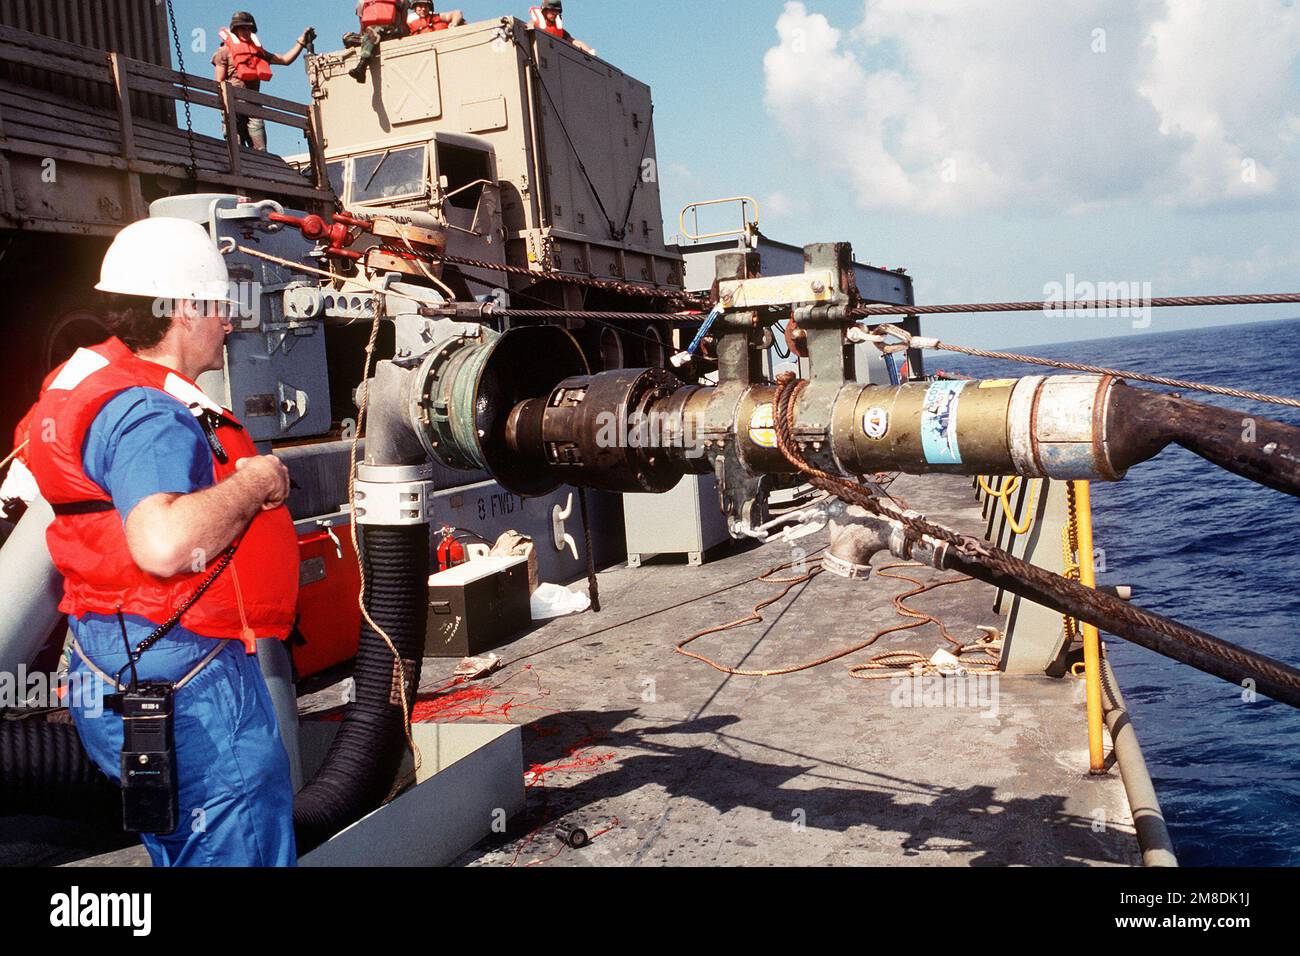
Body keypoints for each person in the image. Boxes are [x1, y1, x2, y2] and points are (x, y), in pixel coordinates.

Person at [24, 218, 301, 867]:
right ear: (184, 309)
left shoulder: (88, 392)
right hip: (190, 691)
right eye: (221, 306)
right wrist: (254, 480)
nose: (230, 322)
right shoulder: (152, 416)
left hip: (109, 675)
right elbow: (163, 544)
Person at [212, 11, 315, 150]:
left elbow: (285, 60)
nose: (247, 31)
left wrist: (301, 42)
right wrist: (225, 108)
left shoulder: (258, 52)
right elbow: (219, 82)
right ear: (235, 30)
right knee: (236, 147)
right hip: (233, 106)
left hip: (254, 106)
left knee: (261, 149)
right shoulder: (223, 51)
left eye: (249, 29)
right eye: (243, 28)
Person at [349, 0, 411, 83]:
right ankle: (366, 51)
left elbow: (403, 23)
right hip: (370, 35)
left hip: (391, 34)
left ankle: (361, 68)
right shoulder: (362, 2)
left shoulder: (402, 1)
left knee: (374, 32)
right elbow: (363, 27)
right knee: (347, 38)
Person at [531, 1, 595, 56]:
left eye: (557, 11)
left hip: (554, 55)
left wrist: (589, 51)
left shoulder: (560, 31)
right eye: (552, 10)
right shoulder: (535, 24)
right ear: (544, 11)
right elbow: (528, 29)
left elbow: (574, 41)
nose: (555, 13)